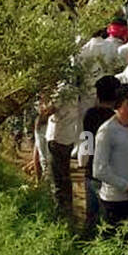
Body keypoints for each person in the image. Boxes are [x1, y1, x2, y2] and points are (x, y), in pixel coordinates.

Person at [93, 83, 128, 230]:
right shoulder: (107, 130)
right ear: (127, 103)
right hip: (113, 203)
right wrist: (127, 187)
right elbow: (99, 170)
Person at [80, 75, 120, 235]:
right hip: (112, 174)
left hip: (92, 172)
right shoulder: (119, 119)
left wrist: (84, 164)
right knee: (108, 221)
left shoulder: (90, 114)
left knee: (92, 217)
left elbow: (86, 145)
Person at [39, 82, 80, 225]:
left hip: (58, 137)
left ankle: (61, 215)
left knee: (57, 179)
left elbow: (47, 111)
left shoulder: (62, 89)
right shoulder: (74, 89)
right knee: (65, 178)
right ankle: (68, 212)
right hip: (69, 136)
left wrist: (42, 100)